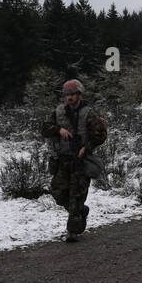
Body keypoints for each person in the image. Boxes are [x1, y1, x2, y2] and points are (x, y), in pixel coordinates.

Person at [40, 79, 108, 242]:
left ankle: (72, 230)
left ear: (79, 94)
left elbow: (101, 134)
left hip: (80, 160)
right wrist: (58, 129)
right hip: (62, 160)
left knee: (75, 198)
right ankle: (81, 211)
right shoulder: (58, 112)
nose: (69, 97)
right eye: (67, 95)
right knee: (58, 193)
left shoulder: (89, 113)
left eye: (72, 94)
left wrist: (88, 147)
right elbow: (44, 129)